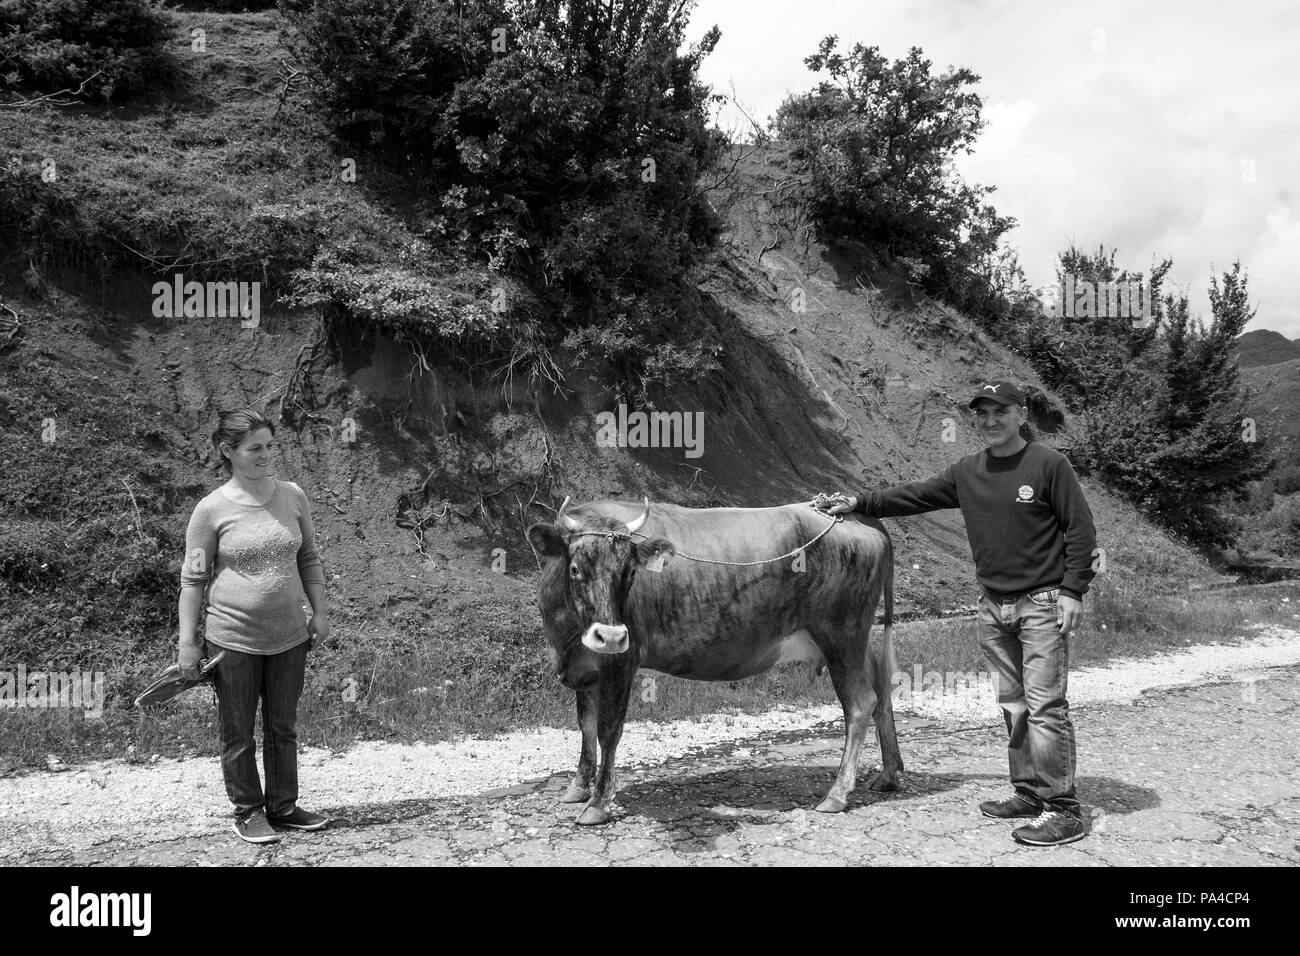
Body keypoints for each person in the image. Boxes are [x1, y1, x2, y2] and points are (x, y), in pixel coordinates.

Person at [827, 380, 1097, 846]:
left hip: (1042, 604)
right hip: (993, 606)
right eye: (983, 414)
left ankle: (1063, 807)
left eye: (1000, 412)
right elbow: (916, 496)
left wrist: (1074, 590)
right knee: (1013, 704)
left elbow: (1080, 529)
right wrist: (861, 502)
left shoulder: (1050, 465)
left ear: (1021, 415)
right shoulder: (969, 470)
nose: (991, 421)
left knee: (1045, 706)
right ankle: (1029, 792)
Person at [177, 408, 331, 844]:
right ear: (228, 452)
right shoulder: (210, 510)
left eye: (269, 445)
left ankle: (283, 806)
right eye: (254, 448)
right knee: (238, 730)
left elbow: (309, 558)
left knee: (283, 726)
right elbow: (193, 580)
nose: (266, 455)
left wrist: (319, 613)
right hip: (233, 640)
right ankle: (248, 810)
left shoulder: (293, 496)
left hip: (289, 637)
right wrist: (187, 643)